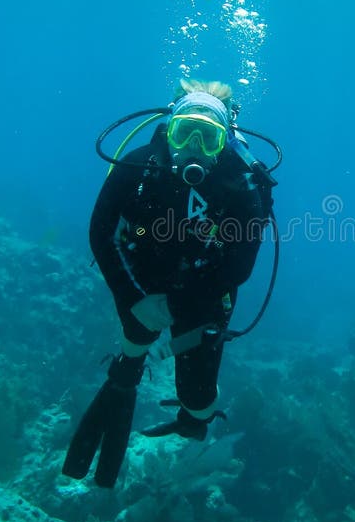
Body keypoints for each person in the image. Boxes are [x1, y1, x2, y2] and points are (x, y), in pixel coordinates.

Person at [62, 79, 273, 488]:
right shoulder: (139, 166)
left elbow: (240, 268)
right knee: (133, 349)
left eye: (208, 137)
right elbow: (100, 233)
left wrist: (175, 306)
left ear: (224, 141)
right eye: (185, 132)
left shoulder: (243, 183)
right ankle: (124, 380)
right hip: (144, 283)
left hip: (206, 292)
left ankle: (193, 420)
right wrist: (134, 298)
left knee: (198, 399)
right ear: (170, 130)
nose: (194, 146)